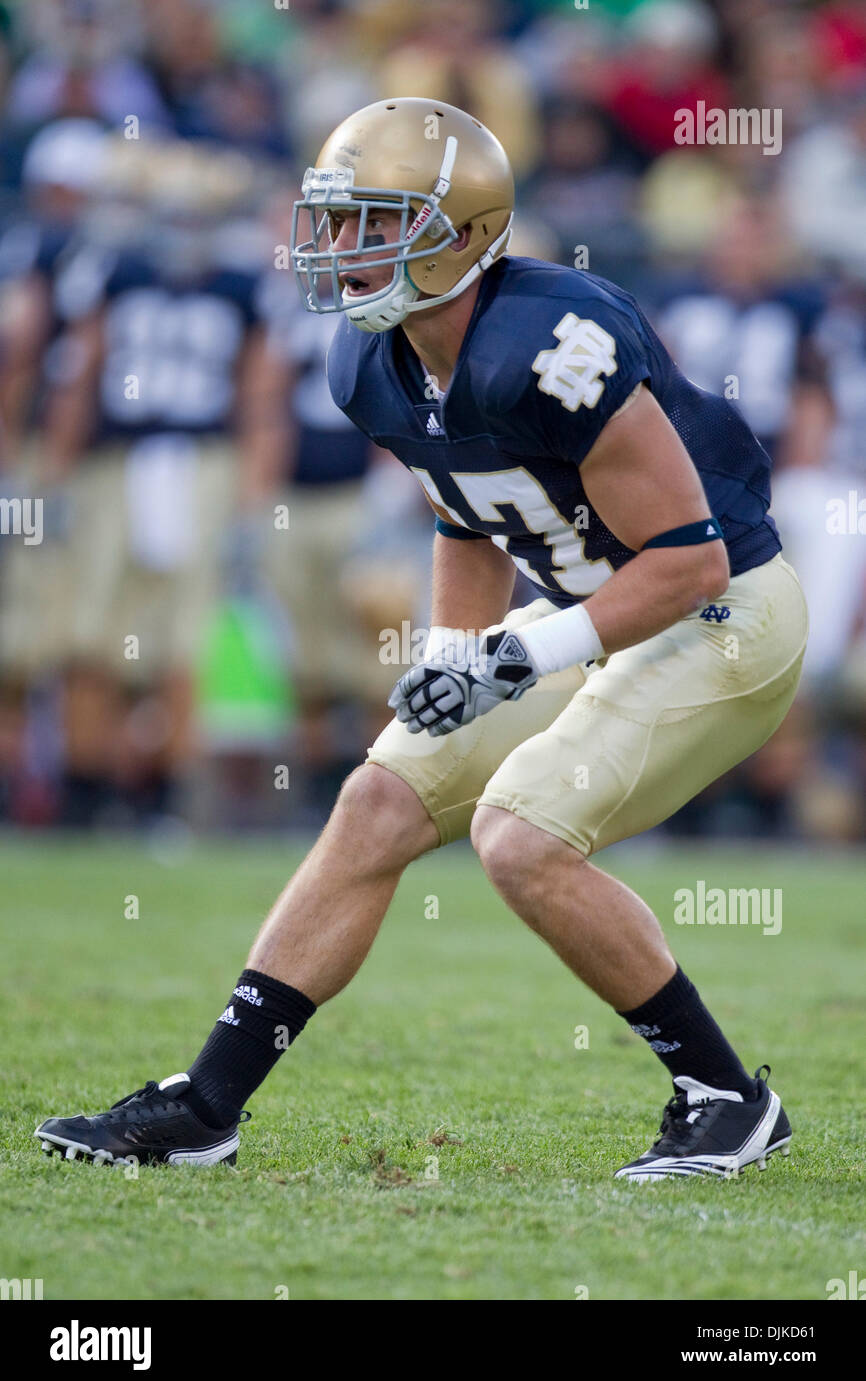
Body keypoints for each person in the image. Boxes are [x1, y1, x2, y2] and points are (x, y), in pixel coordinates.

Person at [36, 98, 808, 1181]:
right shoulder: (370, 364)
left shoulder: (548, 345)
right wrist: (457, 651)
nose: (342, 249)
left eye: (374, 221)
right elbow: (467, 510)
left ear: (463, 231)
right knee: (376, 800)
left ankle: (726, 1097)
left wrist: (516, 656)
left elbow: (689, 565)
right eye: (337, 221)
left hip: (722, 616)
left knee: (520, 836)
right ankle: (206, 1105)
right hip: (590, 614)